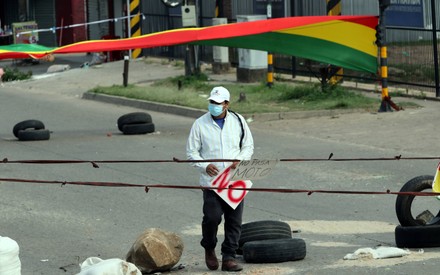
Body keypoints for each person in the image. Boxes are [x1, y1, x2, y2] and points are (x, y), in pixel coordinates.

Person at [186, 86, 254, 272]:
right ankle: (209, 247)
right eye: (211, 102)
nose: (213, 105)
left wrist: (240, 159)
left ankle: (229, 257)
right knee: (212, 217)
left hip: (234, 180)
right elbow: (191, 152)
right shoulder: (200, 124)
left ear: (226, 104)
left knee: (234, 221)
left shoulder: (239, 121)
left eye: (217, 103)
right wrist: (204, 165)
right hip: (212, 182)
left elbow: (248, 146)